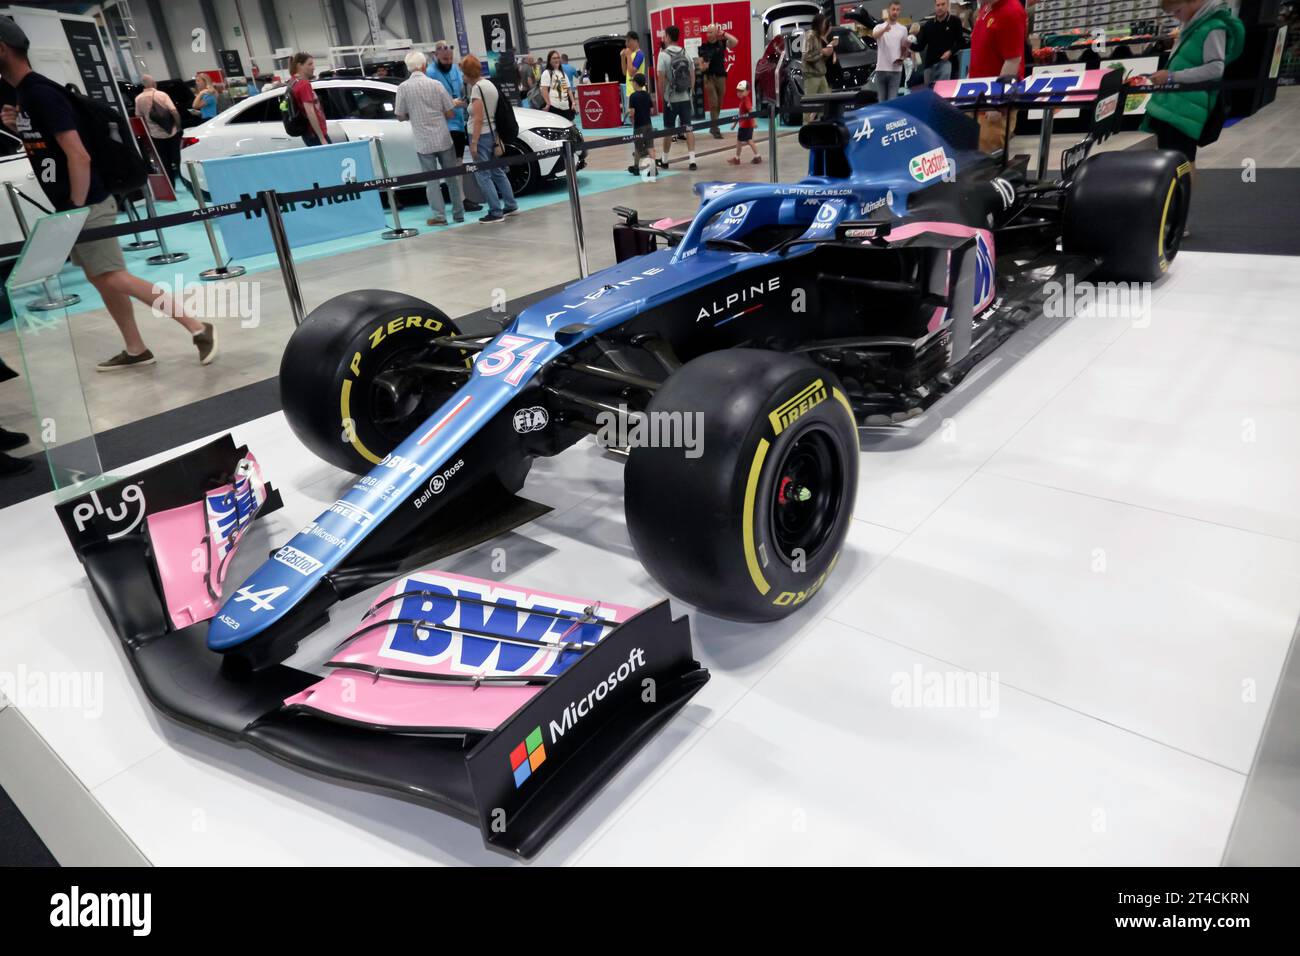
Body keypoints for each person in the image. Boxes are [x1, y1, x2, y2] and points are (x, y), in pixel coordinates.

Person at [0, 16, 215, 372]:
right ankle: (135, 348)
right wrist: (17, 125)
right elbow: (49, 147)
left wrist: (75, 208)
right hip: (77, 204)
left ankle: (197, 326)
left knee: (113, 275)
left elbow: (78, 155)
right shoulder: (26, 94)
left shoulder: (39, 92)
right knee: (101, 277)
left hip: (85, 203)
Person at [1143, 0, 1244, 175]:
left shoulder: (1212, 26)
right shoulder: (1196, 25)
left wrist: (1171, 76)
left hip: (1187, 108)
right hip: (1177, 105)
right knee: (1173, 159)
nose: (1176, 16)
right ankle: (1174, 199)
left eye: (1178, 11)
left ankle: (1181, 200)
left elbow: (1215, 69)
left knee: (1183, 160)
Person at [395, 50, 463, 225]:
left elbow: (400, 116)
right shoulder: (436, 85)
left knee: (431, 181)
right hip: (443, 138)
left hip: (423, 142)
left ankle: (440, 217)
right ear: (424, 66)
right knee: (452, 178)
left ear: (409, 68)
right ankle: (458, 214)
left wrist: (414, 115)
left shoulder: (403, 88)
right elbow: (449, 113)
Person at [427, 40, 482, 212]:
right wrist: (451, 103)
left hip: (458, 124)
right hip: (442, 126)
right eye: (445, 59)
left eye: (450, 59)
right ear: (436, 56)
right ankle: (458, 200)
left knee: (458, 164)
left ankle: (461, 199)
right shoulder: (430, 73)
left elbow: (462, 89)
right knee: (451, 166)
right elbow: (429, 102)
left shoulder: (456, 70)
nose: (448, 62)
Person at [462, 55, 518, 224]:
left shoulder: (477, 88)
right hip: (493, 132)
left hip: (480, 136)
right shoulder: (489, 84)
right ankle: (510, 204)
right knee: (497, 172)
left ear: (467, 72)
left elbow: (478, 118)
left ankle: (495, 211)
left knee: (483, 175)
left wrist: (473, 143)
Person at [969, 0, 1027, 153]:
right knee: (972, 159)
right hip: (977, 98)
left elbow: (1013, 60)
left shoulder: (1010, 11)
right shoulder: (986, 8)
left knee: (987, 161)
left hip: (994, 105)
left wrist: (997, 103)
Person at [656, 25, 697, 170]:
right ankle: (692, 160)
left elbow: (660, 78)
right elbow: (692, 74)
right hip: (685, 97)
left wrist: (663, 97)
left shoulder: (663, 55)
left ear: (667, 36)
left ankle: (665, 160)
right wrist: (690, 91)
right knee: (688, 128)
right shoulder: (685, 52)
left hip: (670, 100)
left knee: (668, 130)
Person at [134, 74, 182, 187]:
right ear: (154, 83)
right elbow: (174, 111)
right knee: (178, 158)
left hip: (154, 134)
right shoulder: (162, 95)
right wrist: (178, 126)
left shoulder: (138, 99)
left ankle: (171, 186)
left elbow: (138, 117)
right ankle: (185, 180)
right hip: (172, 131)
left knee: (164, 161)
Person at [697, 23, 737, 138]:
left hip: (721, 77)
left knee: (719, 103)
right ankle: (715, 128)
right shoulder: (703, 47)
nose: (708, 34)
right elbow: (700, 65)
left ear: (715, 32)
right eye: (707, 32)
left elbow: (735, 42)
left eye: (711, 32)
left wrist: (724, 34)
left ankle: (713, 126)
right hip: (708, 78)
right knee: (713, 103)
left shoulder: (721, 43)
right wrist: (704, 66)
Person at [912, 0, 966, 86]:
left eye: (943, 4)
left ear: (947, 5)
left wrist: (950, 51)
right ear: (935, 6)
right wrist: (909, 45)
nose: (940, 7)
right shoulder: (928, 25)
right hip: (930, 66)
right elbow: (920, 46)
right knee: (929, 95)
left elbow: (962, 42)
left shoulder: (955, 21)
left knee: (943, 93)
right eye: (938, 5)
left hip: (947, 64)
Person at [286, 53, 331, 146]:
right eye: (309, 64)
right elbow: (310, 112)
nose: (313, 67)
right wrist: (321, 138)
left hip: (308, 133)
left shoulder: (293, 82)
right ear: (299, 65)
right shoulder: (303, 85)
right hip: (314, 134)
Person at [801, 15, 837, 125]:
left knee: (826, 102)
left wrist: (827, 53)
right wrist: (822, 52)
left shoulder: (818, 36)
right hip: (811, 74)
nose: (825, 26)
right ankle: (806, 128)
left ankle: (823, 125)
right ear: (818, 23)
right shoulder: (810, 35)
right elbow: (806, 56)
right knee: (810, 104)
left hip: (821, 74)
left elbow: (819, 57)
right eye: (824, 23)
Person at [872, 3, 911, 102]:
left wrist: (903, 57)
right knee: (881, 101)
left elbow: (904, 48)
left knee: (892, 101)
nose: (895, 12)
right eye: (893, 9)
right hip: (881, 69)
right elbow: (874, 35)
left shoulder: (903, 29)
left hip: (896, 70)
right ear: (888, 10)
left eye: (898, 10)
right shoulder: (879, 27)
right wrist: (884, 30)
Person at [626, 73, 657, 177]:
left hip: (639, 126)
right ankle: (654, 169)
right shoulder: (647, 94)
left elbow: (632, 113)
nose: (632, 84)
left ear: (636, 83)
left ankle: (636, 168)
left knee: (638, 147)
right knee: (650, 147)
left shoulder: (633, 96)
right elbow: (652, 110)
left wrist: (630, 117)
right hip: (649, 124)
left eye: (633, 82)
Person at [538, 49, 577, 121]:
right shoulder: (547, 73)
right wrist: (548, 104)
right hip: (554, 107)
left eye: (558, 58)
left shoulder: (563, 73)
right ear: (549, 60)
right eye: (554, 58)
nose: (557, 60)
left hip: (566, 107)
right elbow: (544, 90)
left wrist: (573, 102)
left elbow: (568, 89)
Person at [727, 80, 760, 165]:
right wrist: (734, 124)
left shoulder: (746, 100)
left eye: (742, 91)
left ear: (748, 91)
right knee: (749, 140)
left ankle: (737, 159)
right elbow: (740, 114)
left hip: (745, 126)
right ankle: (757, 156)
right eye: (738, 91)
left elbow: (750, 111)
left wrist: (754, 122)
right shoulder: (743, 100)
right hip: (745, 125)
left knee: (740, 141)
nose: (739, 93)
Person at [620, 32, 645, 123]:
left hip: (638, 91)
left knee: (637, 117)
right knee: (632, 118)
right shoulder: (631, 55)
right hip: (630, 91)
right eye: (626, 41)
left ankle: (641, 135)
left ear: (635, 41)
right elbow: (624, 72)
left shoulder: (639, 54)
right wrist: (623, 58)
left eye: (629, 41)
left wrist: (628, 56)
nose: (627, 44)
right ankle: (637, 134)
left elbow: (631, 72)